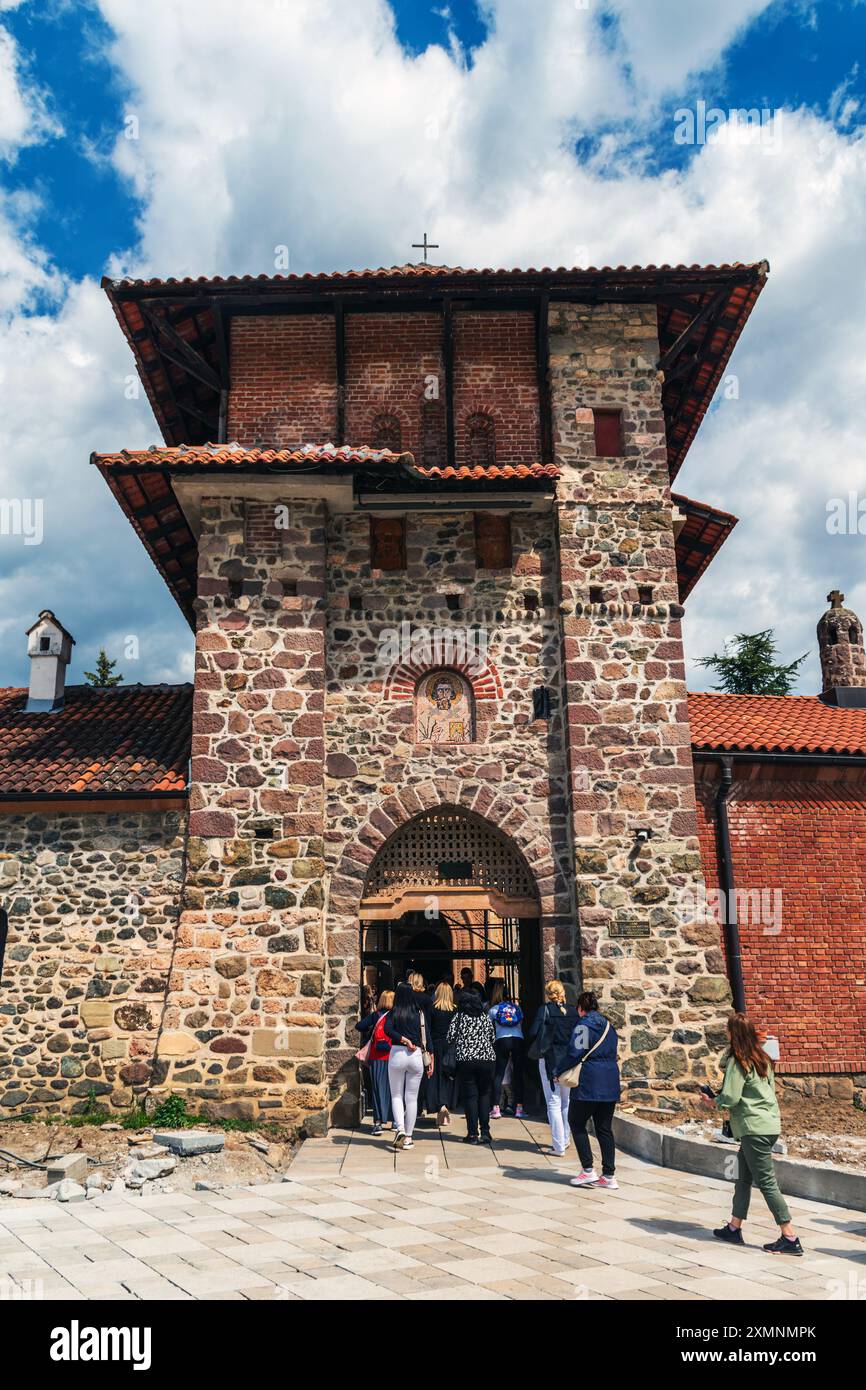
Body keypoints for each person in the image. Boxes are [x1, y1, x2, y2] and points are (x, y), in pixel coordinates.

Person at [701, 1012, 803, 1255]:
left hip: (753, 1127)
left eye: (727, 1030)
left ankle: (790, 1237)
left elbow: (732, 1097)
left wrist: (712, 1101)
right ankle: (734, 1228)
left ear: (732, 1033)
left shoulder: (739, 1061)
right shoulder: (763, 1058)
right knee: (743, 1177)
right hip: (768, 1125)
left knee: (766, 1182)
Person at [558, 990, 621, 1190]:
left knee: (576, 1122)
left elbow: (575, 1052)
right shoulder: (609, 1026)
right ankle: (609, 1175)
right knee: (604, 1128)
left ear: (580, 1008)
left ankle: (587, 1170)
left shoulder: (583, 1026)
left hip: (589, 1081)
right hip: (610, 1079)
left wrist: (558, 1070)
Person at [528, 979, 578, 1156]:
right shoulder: (572, 1011)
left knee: (553, 1103)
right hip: (570, 1061)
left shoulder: (545, 1010)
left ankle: (558, 1146)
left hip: (551, 1061)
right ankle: (565, 1139)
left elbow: (533, 1032)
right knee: (566, 1102)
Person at [384, 981, 434, 1150]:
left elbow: (387, 1030)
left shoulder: (394, 1012)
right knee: (411, 1098)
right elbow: (427, 1035)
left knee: (396, 1095)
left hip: (398, 1053)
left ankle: (400, 1128)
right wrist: (431, 1059)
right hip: (416, 1056)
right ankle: (409, 1138)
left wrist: (403, 1040)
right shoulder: (419, 1013)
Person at [446, 989, 497, 1144]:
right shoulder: (484, 1017)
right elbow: (492, 1037)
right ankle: (486, 1132)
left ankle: (473, 1134)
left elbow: (449, 1038)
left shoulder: (459, 1017)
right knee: (484, 1095)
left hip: (466, 1060)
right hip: (487, 1059)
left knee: (470, 1097)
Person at [356, 989, 394, 1135]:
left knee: (377, 1089)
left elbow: (359, 1026)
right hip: (392, 1056)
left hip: (376, 1057)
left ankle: (378, 1122)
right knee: (393, 1090)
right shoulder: (396, 1016)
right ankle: (395, 1121)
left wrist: (371, 1029)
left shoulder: (375, 1016)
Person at [488, 980, 525, 1119]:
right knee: (518, 1074)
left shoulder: (494, 1009)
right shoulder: (517, 1007)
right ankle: (519, 1108)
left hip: (502, 1040)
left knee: (498, 1074)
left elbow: (488, 1026)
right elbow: (521, 1022)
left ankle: (496, 1108)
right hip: (518, 1040)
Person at [426, 980, 457, 1126]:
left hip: (435, 1045)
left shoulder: (432, 1009)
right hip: (450, 1047)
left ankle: (439, 1106)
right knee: (448, 1077)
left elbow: (428, 1030)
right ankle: (445, 1104)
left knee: (434, 1077)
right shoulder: (455, 1010)